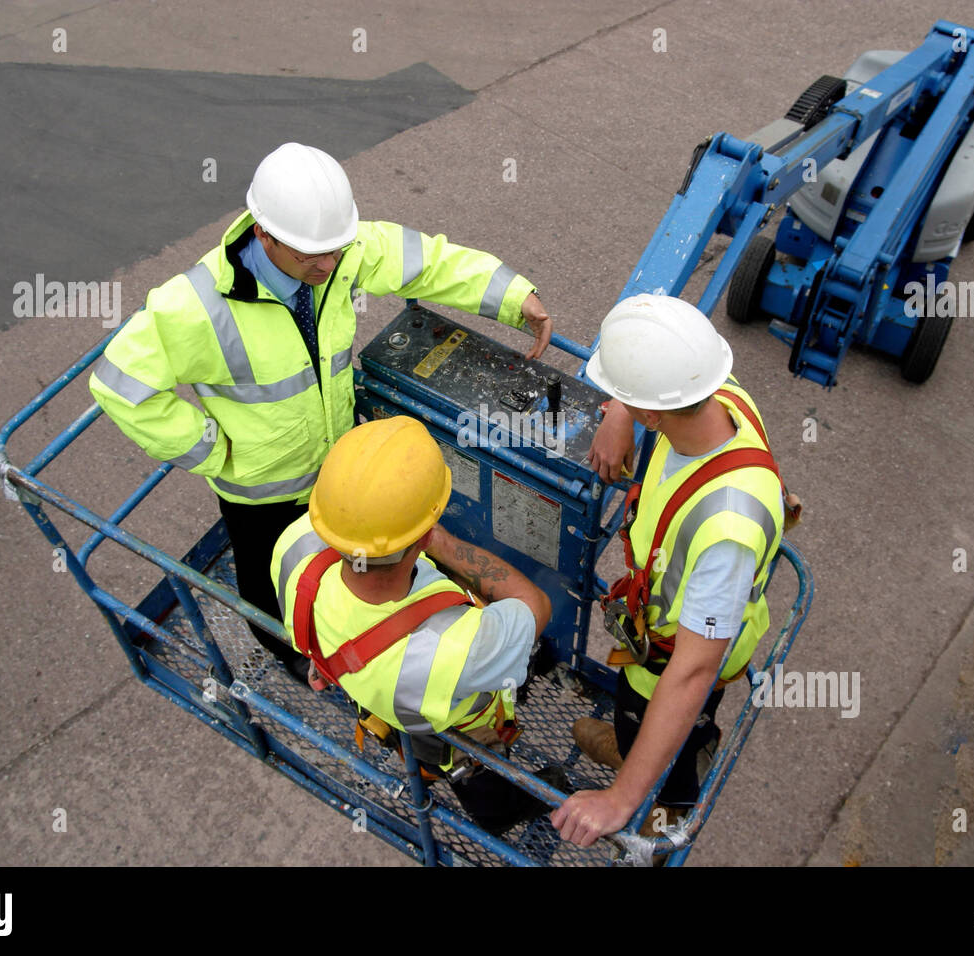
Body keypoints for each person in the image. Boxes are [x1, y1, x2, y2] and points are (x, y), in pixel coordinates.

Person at [89, 143, 551, 681]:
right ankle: (294, 657)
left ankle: (348, 654)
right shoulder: (195, 306)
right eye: (311, 255)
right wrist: (215, 452)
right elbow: (121, 386)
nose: (328, 265)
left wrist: (515, 297)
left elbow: (427, 261)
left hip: (337, 469)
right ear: (263, 233)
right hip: (263, 494)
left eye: (336, 249)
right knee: (270, 595)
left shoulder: (336, 252)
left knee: (354, 571)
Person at [552, 294, 786, 848]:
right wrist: (618, 416)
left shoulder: (726, 530)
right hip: (654, 636)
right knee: (637, 712)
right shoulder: (720, 393)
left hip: (670, 663)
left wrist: (618, 800)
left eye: (620, 397)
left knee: (670, 728)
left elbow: (692, 673)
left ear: (653, 413)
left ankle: (667, 811)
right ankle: (634, 745)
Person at [270, 415, 564, 834]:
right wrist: (443, 543)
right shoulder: (460, 647)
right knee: (474, 763)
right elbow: (533, 605)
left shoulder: (294, 546)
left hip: (378, 697)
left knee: (429, 748)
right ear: (425, 534)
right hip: (453, 724)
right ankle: (500, 814)